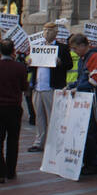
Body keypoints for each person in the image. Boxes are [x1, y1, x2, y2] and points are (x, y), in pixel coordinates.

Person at [26, 23, 72, 154]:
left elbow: (69, 65)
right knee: (39, 117)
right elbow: (32, 67)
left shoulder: (62, 48)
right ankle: (39, 142)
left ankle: (55, 141)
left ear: (56, 33)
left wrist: (60, 62)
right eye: (45, 30)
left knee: (53, 116)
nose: (46, 33)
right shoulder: (37, 47)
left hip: (52, 87)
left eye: (49, 30)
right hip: (38, 87)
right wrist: (29, 63)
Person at [68, 32, 97, 178]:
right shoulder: (83, 59)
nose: (74, 52)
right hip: (84, 101)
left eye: (75, 48)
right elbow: (82, 79)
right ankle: (87, 162)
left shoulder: (95, 57)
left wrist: (77, 88)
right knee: (83, 133)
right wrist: (72, 86)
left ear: (83, 45)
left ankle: (94, 164)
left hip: (93, 102)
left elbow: (95, 80)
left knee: (90, 133)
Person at [0, 38, 29, 183]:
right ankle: (11, 171)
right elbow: (25, 87)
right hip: (14, 108)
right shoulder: (20, 67)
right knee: (13, 140)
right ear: (13, 51)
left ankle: (1, 172)